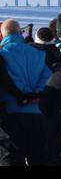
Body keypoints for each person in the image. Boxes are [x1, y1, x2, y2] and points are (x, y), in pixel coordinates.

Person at [0, 20, 52, 165]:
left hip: (10, 112)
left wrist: (23, 94)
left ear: (2, 35)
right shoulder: (37, 53)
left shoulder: (3, 54)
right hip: (36, 113)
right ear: (20, 33)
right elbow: (47, 75)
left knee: (11, 158)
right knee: (39, 157)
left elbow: (6, 80)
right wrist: (36, 93)